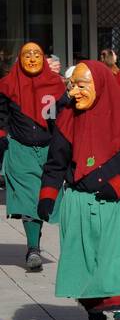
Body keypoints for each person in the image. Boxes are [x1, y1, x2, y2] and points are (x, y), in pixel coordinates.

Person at [38, 61, 120, 320]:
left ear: (101, 84)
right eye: (72, 85)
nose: (74, 91)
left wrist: (117, 186)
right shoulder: (67, 118)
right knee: (86, 265)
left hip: (118, 202)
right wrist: (47, 196)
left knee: (118, 266)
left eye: (81, 85)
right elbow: (56, 163)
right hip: (78, 202)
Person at [0, 43, 68, 270]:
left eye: (36, 54)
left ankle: (44, 245)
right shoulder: (7, 85)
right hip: (20, 150)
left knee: (46, 200)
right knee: (29, 198)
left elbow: (68, 117)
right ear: (19, 58)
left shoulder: (57, 86)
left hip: (50, 151)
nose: (31, 58)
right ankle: (33, 249)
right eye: (27, 54)